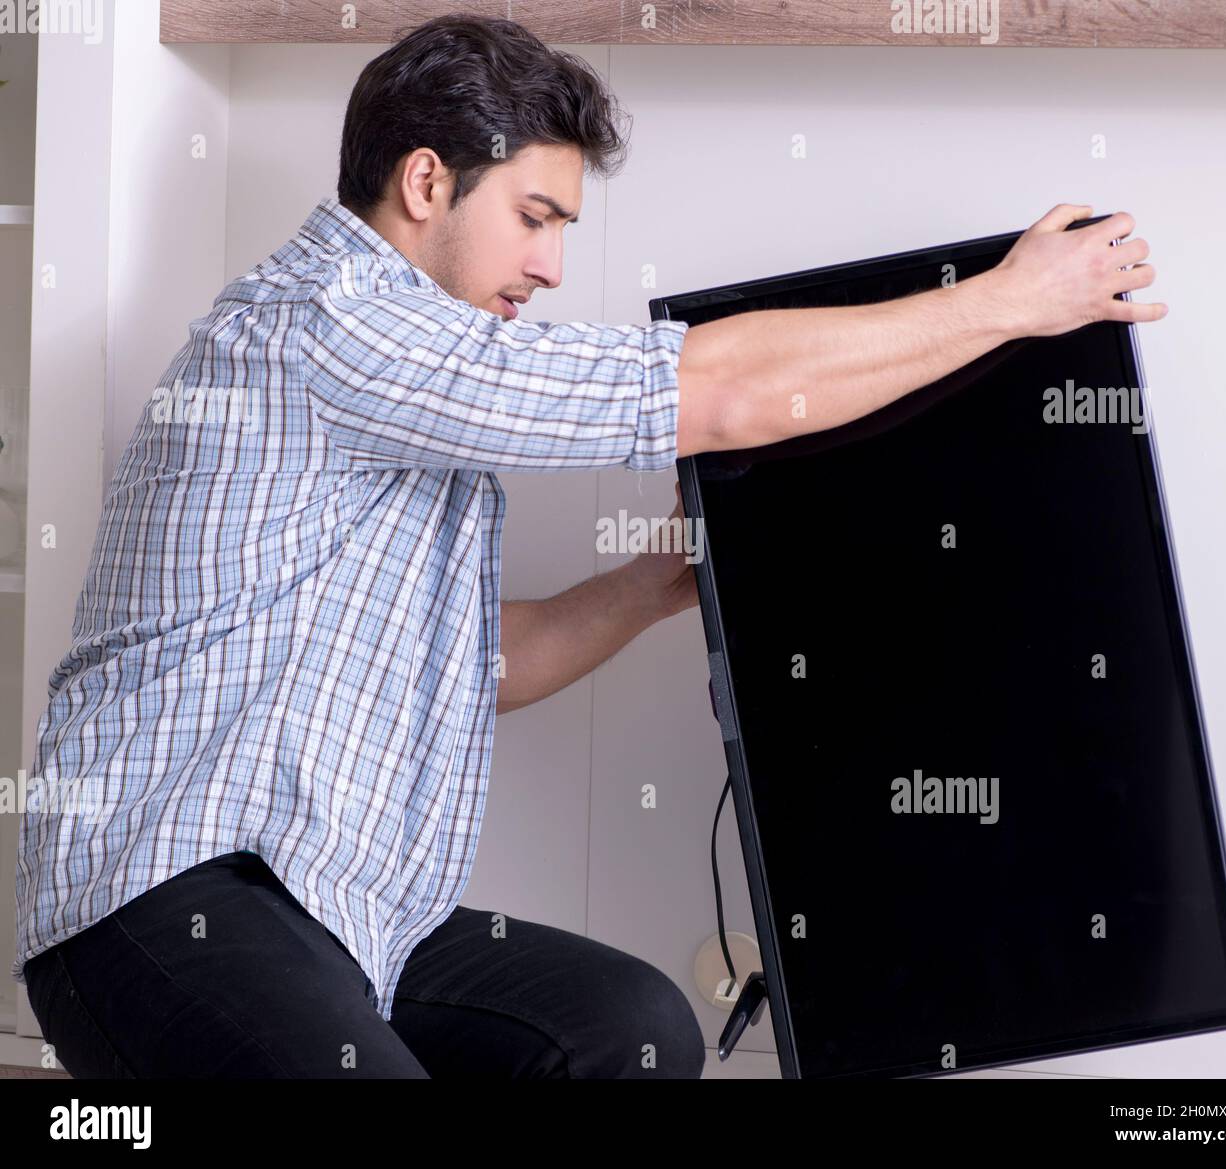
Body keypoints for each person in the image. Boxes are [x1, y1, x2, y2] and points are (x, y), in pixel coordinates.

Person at [13, 13, 1165, 1079]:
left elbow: (481, 664)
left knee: (636, 1030)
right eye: (534, 218)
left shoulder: (415, 387)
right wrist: (1008, 303)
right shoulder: (334, 323)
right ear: (425, 181)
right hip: (161, 901)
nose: (553, 268)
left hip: (343, 913)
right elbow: (710, 393)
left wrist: (658, 583)